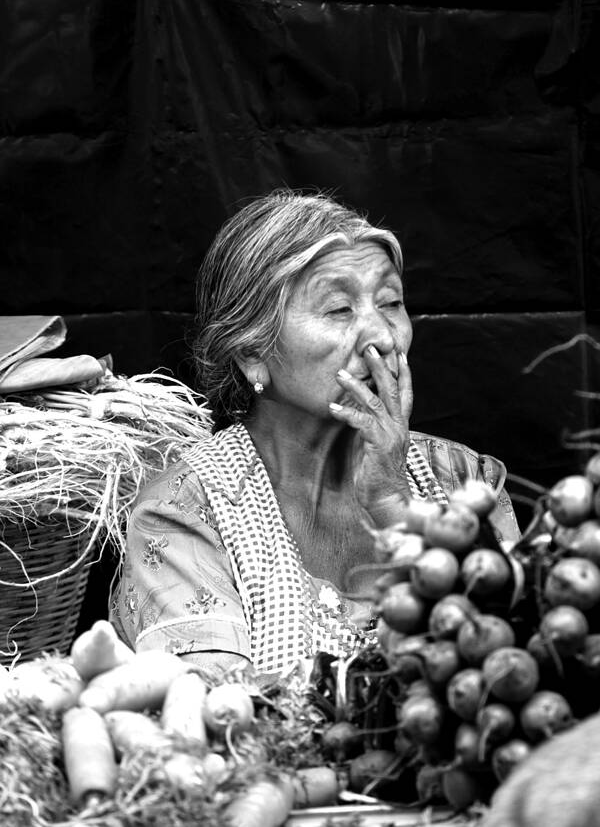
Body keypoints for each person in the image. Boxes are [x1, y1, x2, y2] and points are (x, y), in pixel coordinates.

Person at [110, 190, 519, 679]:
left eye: (391, 302)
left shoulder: (462, 481)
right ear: (252, 353)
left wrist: (393, 503)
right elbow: (218, 716)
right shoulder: (186, 512)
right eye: (339, 310)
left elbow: (510, 667)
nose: (384, 338)